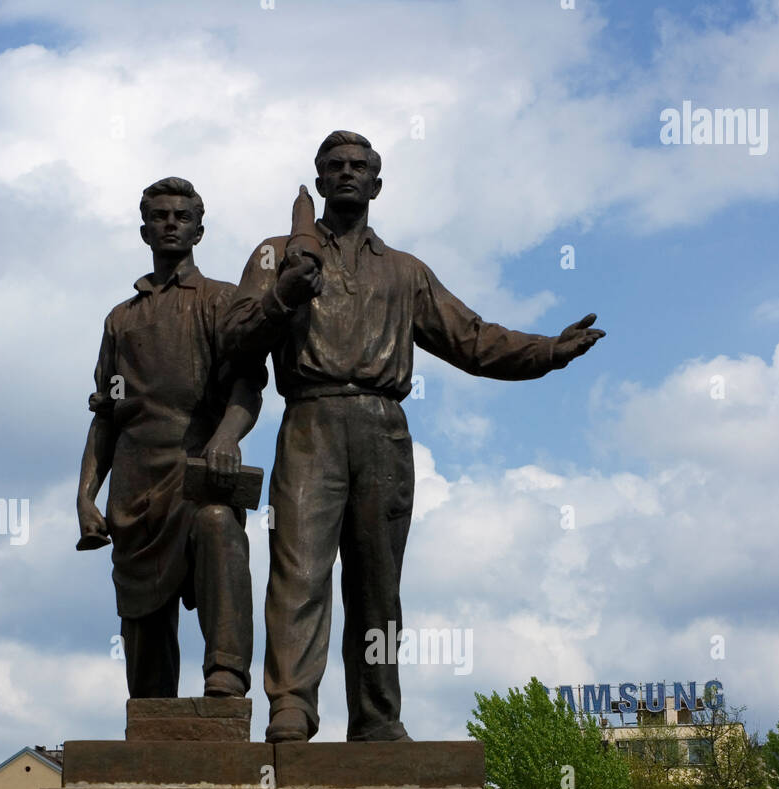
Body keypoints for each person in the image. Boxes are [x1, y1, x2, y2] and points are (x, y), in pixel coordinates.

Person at [224, 131, 605, 743]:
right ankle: (291, 704)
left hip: (382, 427)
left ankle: (377, 715)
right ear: (318, 181)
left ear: (377, 184)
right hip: (310, 422)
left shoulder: (405, 272)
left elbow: (473, 339)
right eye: (334, 167)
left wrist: (548, 352)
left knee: (378, 585)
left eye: (360, 167)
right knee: (298, 570)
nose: (347, 174)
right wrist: (283, 295)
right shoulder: (276, 254)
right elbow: (236, 338)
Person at [76, 177, 265, 698]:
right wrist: (85, 495)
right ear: (144, 229)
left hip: (201, 476)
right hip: (135, 490)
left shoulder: (222, 301)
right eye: (160, 216)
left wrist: (226, 436)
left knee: (219, 528)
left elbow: (248, 385)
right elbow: (105, 416)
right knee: (145, 656)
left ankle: (226, 674)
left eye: (181, 217)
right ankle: (153, 719)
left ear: (199, 230)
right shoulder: (121, 318)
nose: (170, 225)